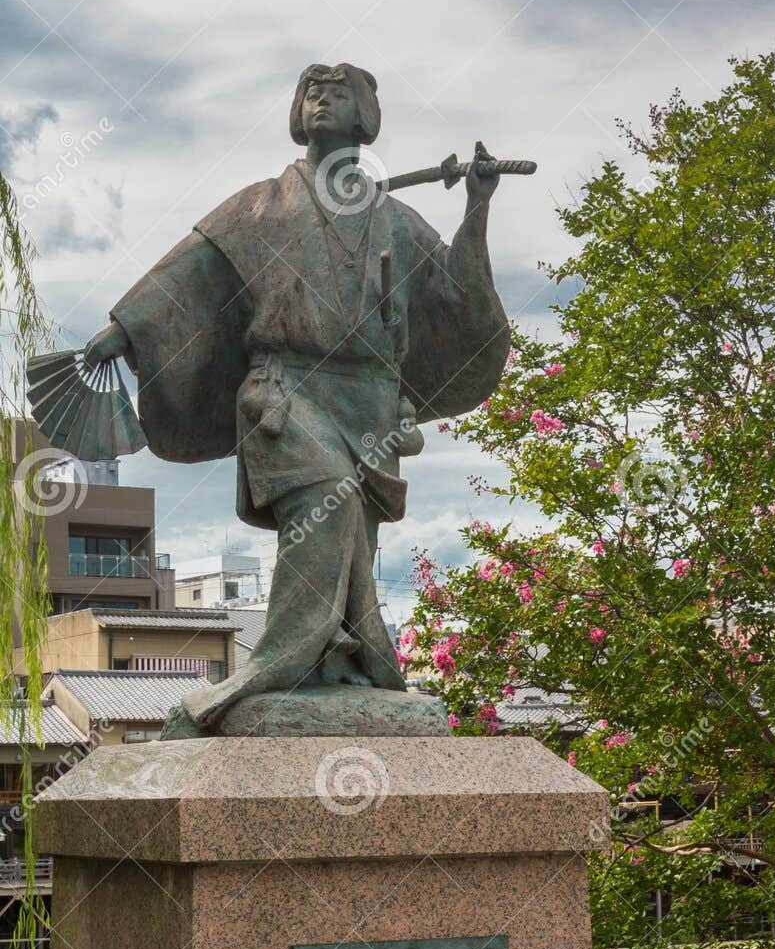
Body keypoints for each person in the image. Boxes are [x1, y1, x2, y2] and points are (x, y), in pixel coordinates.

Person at [84, 62, 509, 735]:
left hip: (370, 401)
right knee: (326, 502)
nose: (322, 101)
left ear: (365, 116)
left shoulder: (395, 219)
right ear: (296, 110)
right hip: (286, 390)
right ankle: (273, 665)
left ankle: (340, 662)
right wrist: (125, 330)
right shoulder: (261, 207)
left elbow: (454, 298)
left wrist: (477, 206)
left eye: (337, 94)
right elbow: (189, 271)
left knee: (357, 540)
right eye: (312, 92)